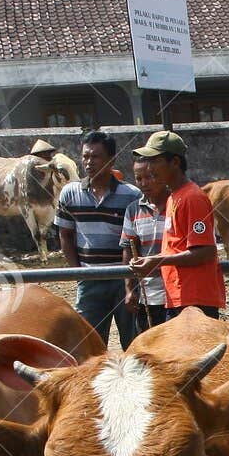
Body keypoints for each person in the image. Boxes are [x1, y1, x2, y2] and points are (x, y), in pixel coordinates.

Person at [56, 131, 142, 348]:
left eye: (95, 157)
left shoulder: (131, 195)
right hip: (89, 279)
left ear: (111, 160)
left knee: (134, 344)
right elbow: (65, 235)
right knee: (89, 346)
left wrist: (131, 281)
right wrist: (78, 272)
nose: (88, 162)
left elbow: (138, 240)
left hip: (124, 279)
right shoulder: (69, 193)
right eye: (85, 156)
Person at [126, 130, 224, 318]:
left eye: (155, 161)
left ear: (175, 162)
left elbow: (205, 251)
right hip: (180, 296)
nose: (149, 168)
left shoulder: (192, 198)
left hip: (194, 299)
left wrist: (156, 261)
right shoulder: (175, 197)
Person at [121, 152, 170, 327]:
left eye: (149, 177)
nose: (144, 183)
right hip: (147, 295)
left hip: (175, 293)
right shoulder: (133, 210)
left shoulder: (177, 205)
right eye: (138, 178)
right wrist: (129, 289)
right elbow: (128, 249)